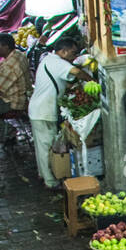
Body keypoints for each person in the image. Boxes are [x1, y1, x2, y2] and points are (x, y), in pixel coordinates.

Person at [27, 35, 82, 190]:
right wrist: (90, 78)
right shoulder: (56, 62)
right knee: (46, 147)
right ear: (63, 52)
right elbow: (76, 71)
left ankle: (43, 174)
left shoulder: (49, 60)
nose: (74, 57)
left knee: (42, 146)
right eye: (72, 53)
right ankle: (50, 182)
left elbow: (63, 83)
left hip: (39, 109)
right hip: (42, 111)